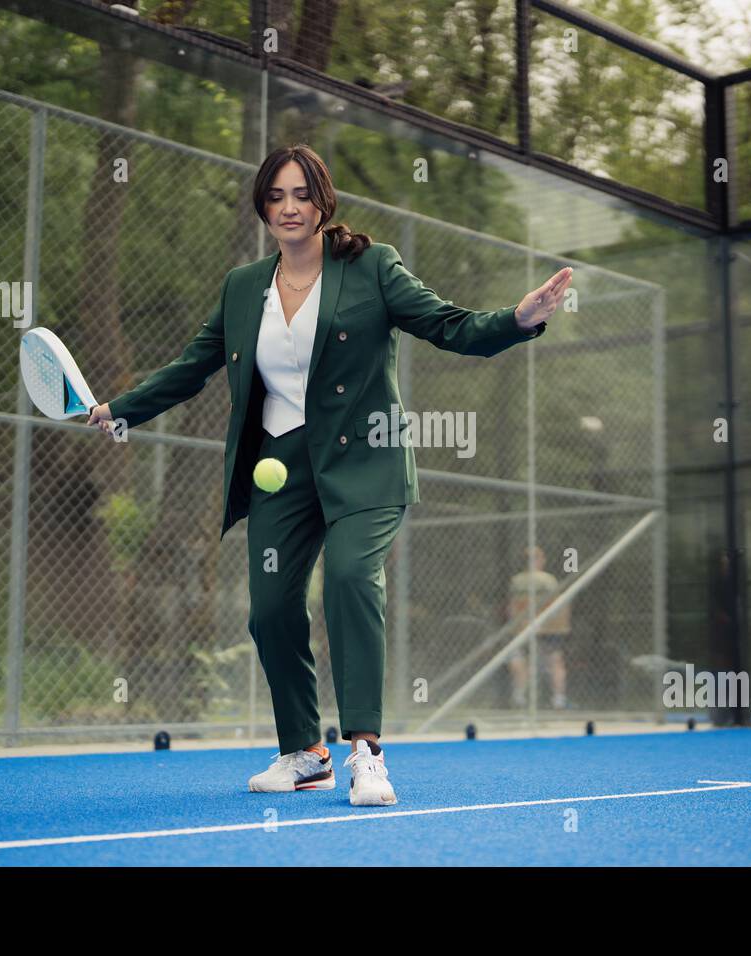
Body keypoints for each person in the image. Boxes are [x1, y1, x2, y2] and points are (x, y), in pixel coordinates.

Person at [88, 144, 573, 803]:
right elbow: (191, 367)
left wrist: (517, 321)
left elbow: (447, 325)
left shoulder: (372, 267)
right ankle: (304, 752)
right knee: (269, 610)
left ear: (324, 200)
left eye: (301, 194)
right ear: (263, 206)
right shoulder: (242, 288)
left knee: (349, 579)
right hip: (281, 471)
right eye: (277, 196)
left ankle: (365, 753)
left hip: (366, 463)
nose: (289, 207)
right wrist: (119, 409)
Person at [506, 546, 572, 709]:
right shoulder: (546, 579)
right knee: (553, 661)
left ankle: (521, 696)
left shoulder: (517, 580)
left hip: (532, 626)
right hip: (543, 626)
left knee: (534, 660)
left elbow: (513, 608)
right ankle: (557, 698)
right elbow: (554, 605)